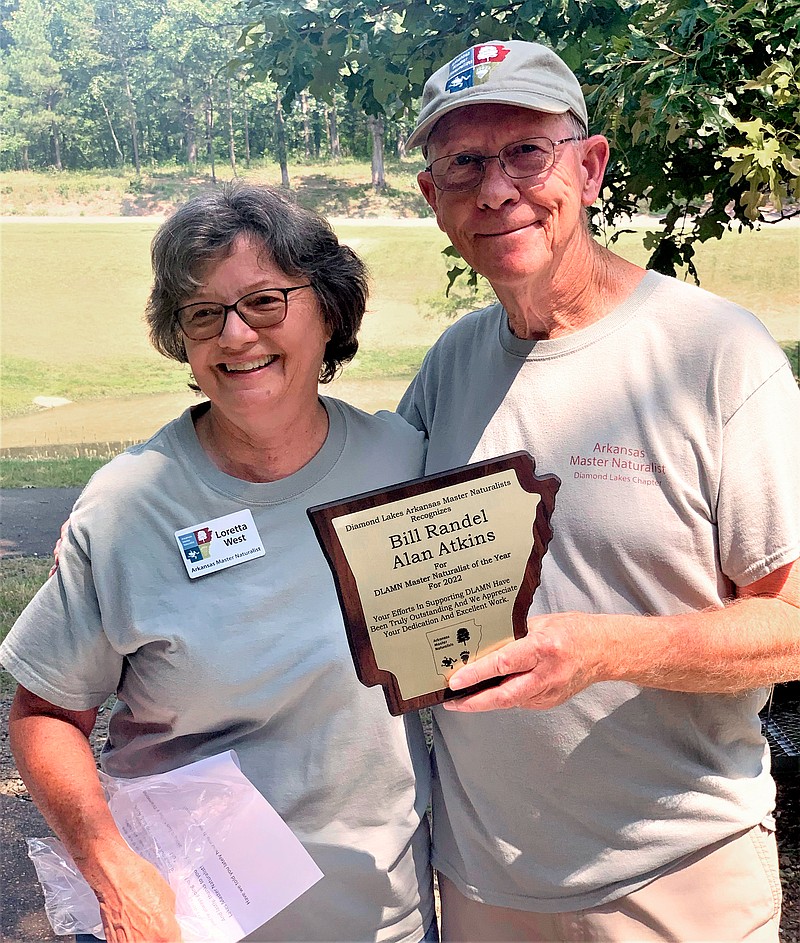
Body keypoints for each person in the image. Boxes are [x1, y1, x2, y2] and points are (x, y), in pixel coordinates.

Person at [397, 39, 800, 941]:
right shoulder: (451, 364)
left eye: (525, 152)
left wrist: (606, 649)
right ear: (432, 196)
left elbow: (793, 622)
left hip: (676, 875)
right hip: (483, 881)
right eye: (463, 164)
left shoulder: (715, 354)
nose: (496, 190)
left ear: (589, 167)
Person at [0, 184, 437, 943]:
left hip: (385, 921)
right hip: (180, 922)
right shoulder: (129, 506)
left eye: (265, 301)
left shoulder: (407, 464)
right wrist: (112, 870)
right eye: (203, 313)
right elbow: (44, 715)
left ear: (329, 310)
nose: (236, 335)